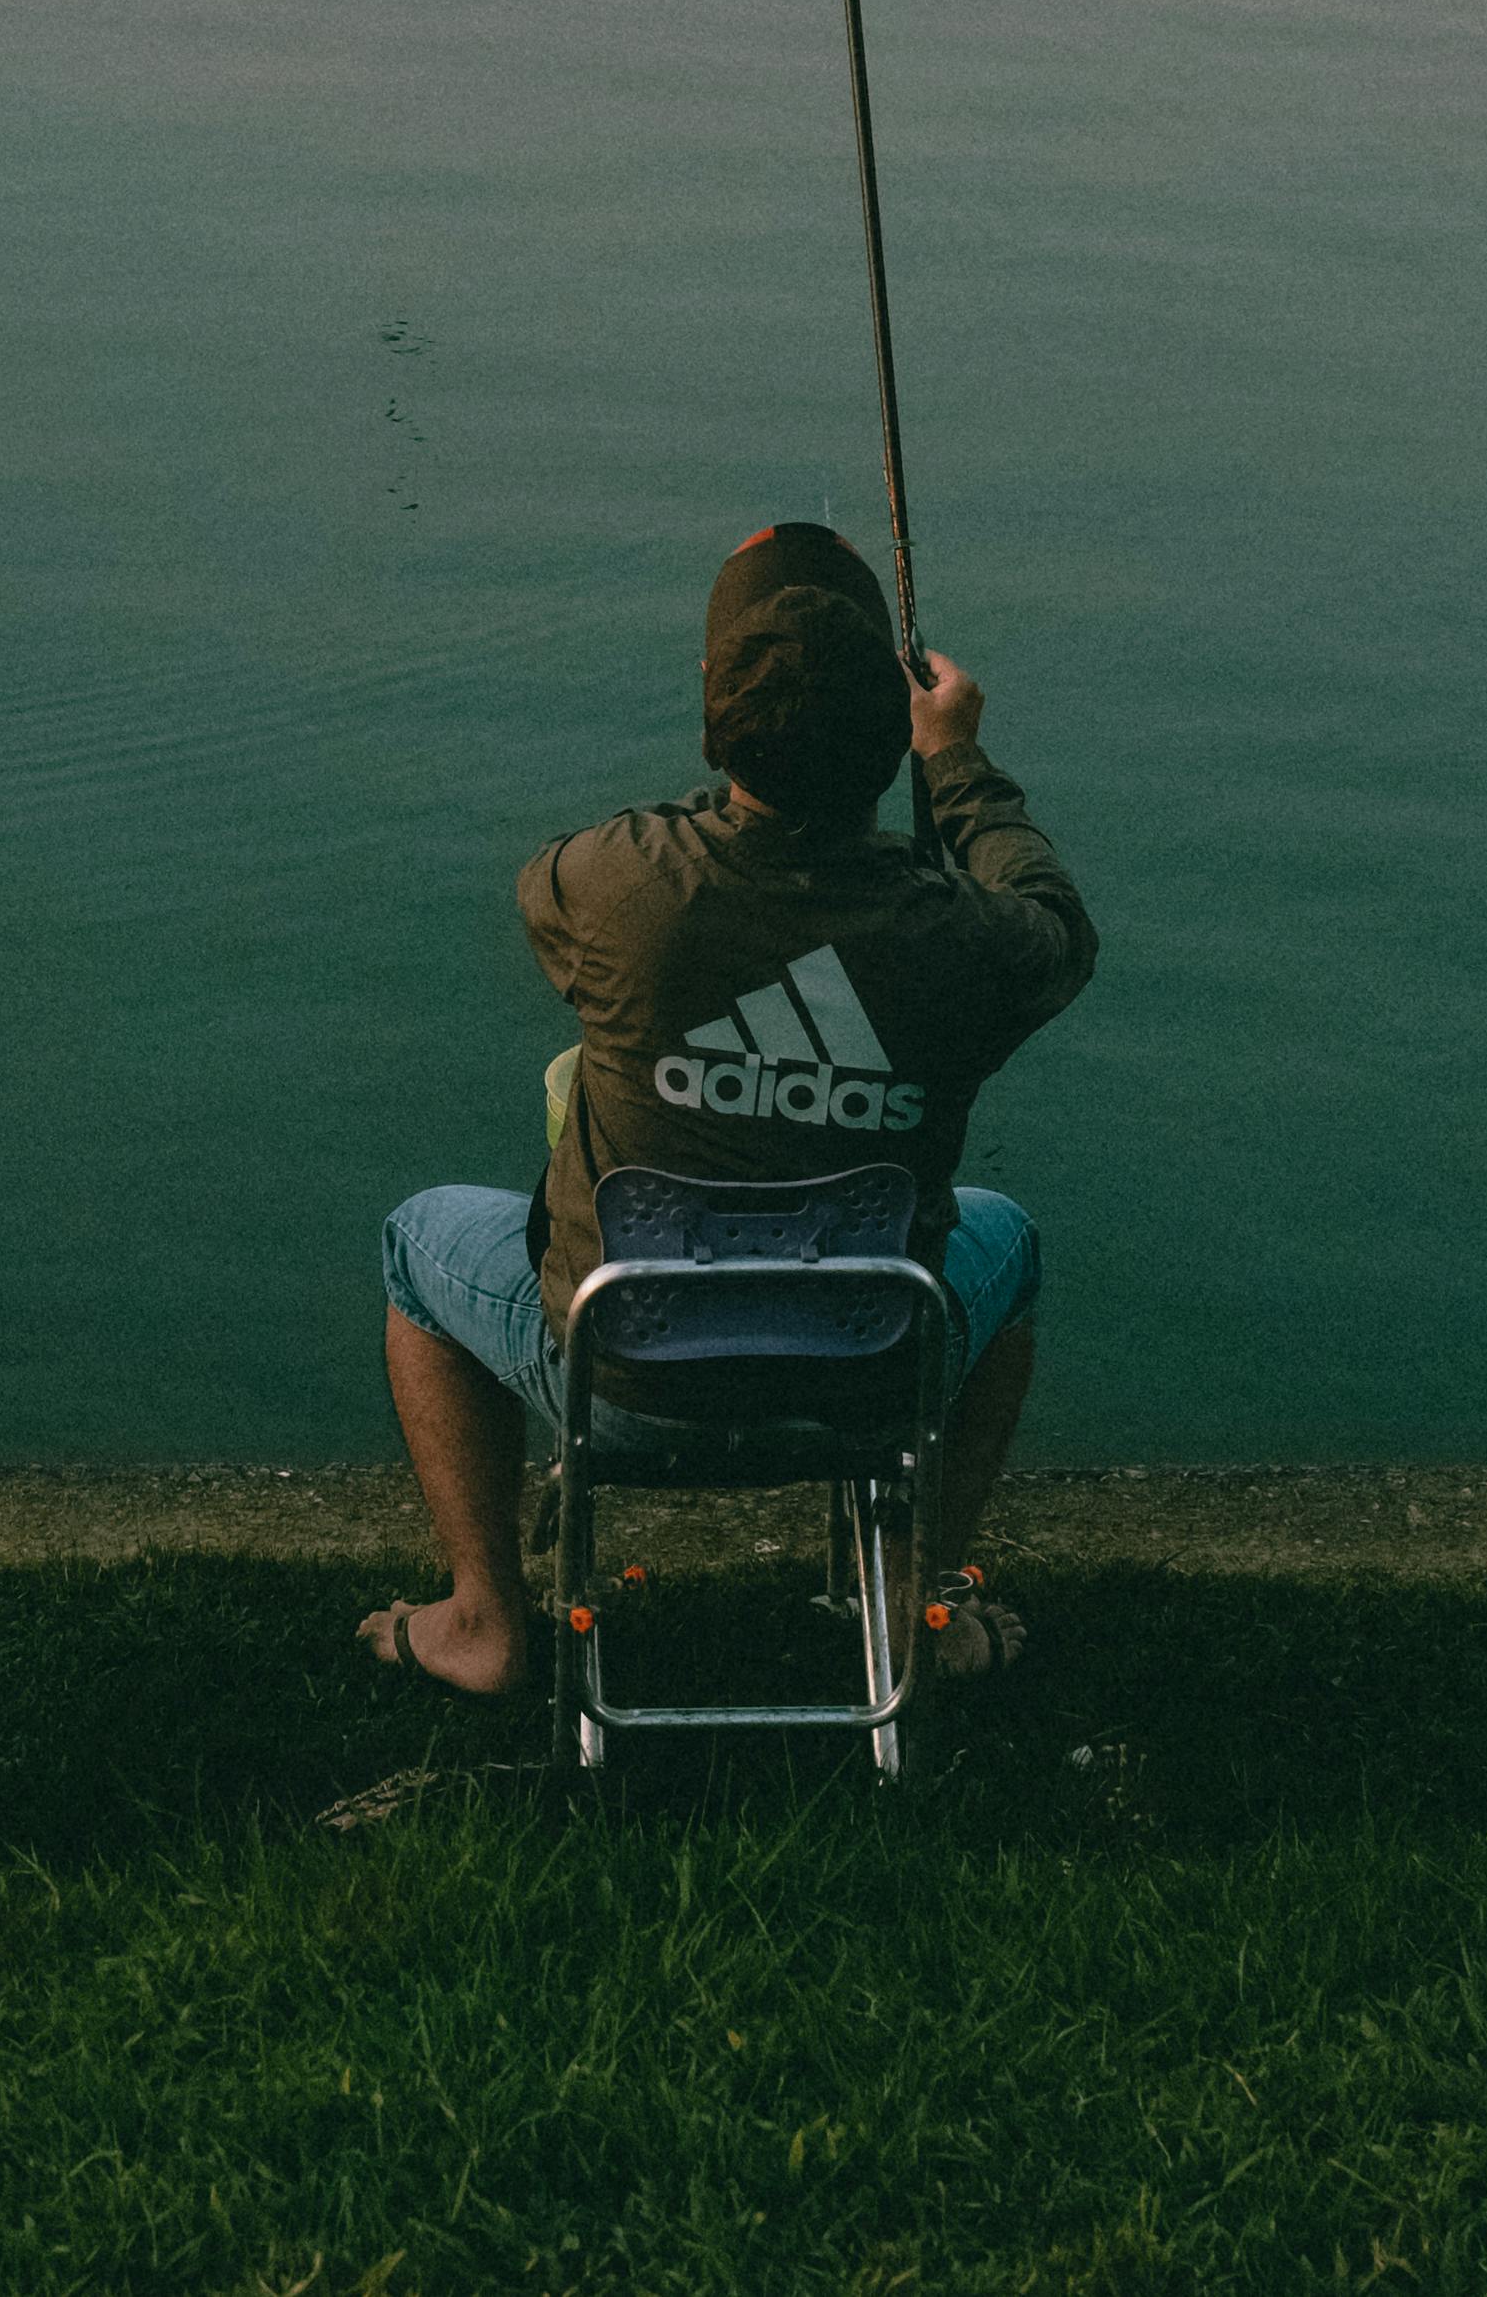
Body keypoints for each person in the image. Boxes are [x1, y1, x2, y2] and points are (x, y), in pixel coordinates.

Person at [365, 520, 1094, 1697]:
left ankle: (484, 1622)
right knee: (1006, 1241)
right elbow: (1057, 924)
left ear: (717, 721)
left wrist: (751, 745)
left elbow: (557, 880)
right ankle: (917, 1609)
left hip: (627, 1380)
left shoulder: (616, 884)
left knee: (416, 1242)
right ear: (890, 743)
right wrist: (955, 762)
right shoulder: (967, 942)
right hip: (866, 1377)